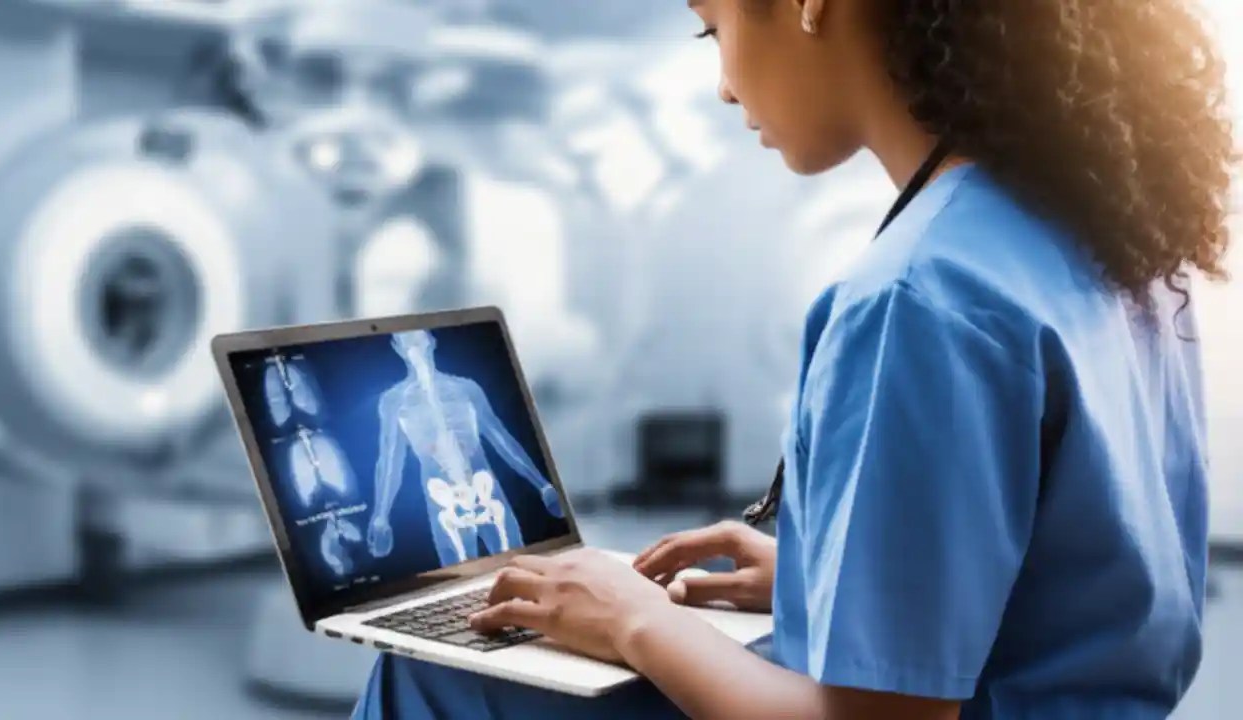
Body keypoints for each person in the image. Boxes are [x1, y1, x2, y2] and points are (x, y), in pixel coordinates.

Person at [353, 0, 1236, 717]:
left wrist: (635, 623)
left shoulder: (918, 296)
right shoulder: (1103, 240)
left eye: (712, 29)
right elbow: (1070, 577)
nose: (724, 86)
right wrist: (818, 582)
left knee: (427, 679)